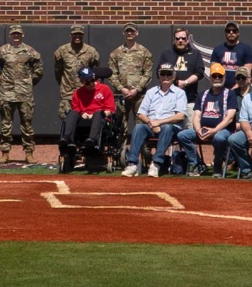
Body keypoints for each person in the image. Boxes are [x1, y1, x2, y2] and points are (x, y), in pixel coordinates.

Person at [177, 63, 243, 176]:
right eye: (214, 76)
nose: (217, 78)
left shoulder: (230, 94)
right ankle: (197, 163)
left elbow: (230, 118)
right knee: (183, 135)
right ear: (210, 78)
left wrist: (215, 130)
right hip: (203, 129)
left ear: (224, 77)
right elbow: (197, 116)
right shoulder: (203, 94)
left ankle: (217, 166)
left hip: (224, 130)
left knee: (219, 138)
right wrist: (198, 130)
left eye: (219, 76)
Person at [124, 64, 188, 177]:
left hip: (171, 128)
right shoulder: (151, 92)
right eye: (162, 74)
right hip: (152, 125)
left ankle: (156, 164)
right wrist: (151, 123)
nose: (165, 77)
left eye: (169, 74)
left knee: (167, 127)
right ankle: (132, 164)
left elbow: (180, 116)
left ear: (173, 76)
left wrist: (159, 123)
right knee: (139, 127)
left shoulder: (180, 93)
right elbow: (141, 113)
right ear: (159, 76)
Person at [0, 25, 43, 165]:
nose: (16, 36)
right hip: (7, 92)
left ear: (22, 35)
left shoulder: (30, 51)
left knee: (27, 123)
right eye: (13, 34)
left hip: (24, 93)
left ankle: (29, 153)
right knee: (6, 124)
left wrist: (29, 83)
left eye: (18, 34)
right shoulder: (2, 51)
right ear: (9, 35)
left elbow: (39, 69)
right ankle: (5, 153)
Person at [106, 24, 154, 153]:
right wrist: (121, 88)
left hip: (139, 95)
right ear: (123, 33)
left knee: (141, 123)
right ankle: (121, 151)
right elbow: (112, 74)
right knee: (121, 124)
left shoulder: (145, 52)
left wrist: (137, 89)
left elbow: (147, 74)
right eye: (127, 31)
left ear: (136, 33)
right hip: (121, 95)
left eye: (132, 31)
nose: (129, 33)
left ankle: (144, 151)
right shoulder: (115, 53)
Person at [58, 67, 116, 171]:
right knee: (72, 113)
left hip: (100, 119)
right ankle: (67, 139)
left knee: (98, 113)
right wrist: (82, 113)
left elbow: (110, 109)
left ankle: (92, 140)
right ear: (82, 82)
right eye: (88, 82)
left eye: (93, 80)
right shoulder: (78, 92)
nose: (91, 84)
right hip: (83, 119)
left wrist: (96, 114)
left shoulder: (105, 89)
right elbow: (76, 108)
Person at [53, 25, 103, 117]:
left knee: (86, 119)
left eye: (80, 34)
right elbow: (58, 72)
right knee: (66, 118)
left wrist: (91, 86)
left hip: (85, 92)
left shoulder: (91, 51)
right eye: (75, 34)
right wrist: (64, 85)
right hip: (68, 93)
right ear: (70, 35)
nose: (77, 36)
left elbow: (96, 71)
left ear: (83, 35)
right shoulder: (62, 51)